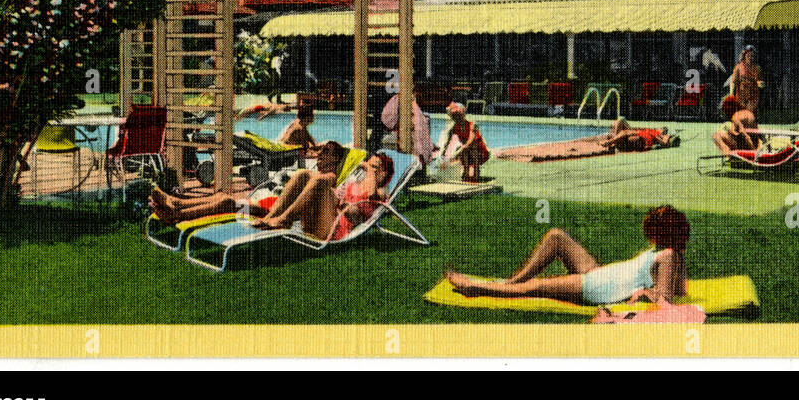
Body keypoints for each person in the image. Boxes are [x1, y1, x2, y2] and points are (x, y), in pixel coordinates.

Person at [445, 205, 690, 305]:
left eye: (653, 232)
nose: (650, 238)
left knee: (538, 286)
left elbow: (666, 299)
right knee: (556, 237)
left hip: (600, 286)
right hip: (602, 275)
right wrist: (653, 288)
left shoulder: (668, 256)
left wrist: (645, 293)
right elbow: (677, 290)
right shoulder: (671, 255)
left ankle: (476, 288)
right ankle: (512, 281)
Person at [148, 147, 395, 242]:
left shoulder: (378, 194)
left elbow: (353, 214)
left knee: (325, 179)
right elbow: (338, 199)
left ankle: (281, 218)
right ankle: (177, 206)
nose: (366, 169)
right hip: (291, 214)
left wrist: (371, 175)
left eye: (374, 167)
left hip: (329, 231)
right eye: (367, 165)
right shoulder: (348, 185)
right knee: (301, 176)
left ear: (383, 173)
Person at [437, 102, 492, 182]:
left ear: (462, 115)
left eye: (457, 116)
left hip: (480, 152)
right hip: (466, 151)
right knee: (462, 150)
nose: (456, 118)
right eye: (454, 116)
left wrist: (454, 155)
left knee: (468, 148)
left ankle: (476, 172)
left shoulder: (472, 125)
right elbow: (446, 143)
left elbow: (469, 142)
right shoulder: (453, 127)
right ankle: (466, 172)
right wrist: (442, 155)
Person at [279, 104, 342, 173]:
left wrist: (318, 145)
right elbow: (306, 150)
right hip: (286, 156)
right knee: (321, 154)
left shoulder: (298, 122)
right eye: (312, 114)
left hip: (284, 149)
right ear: (308, 117)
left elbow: (310, 139)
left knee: (324, 146)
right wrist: (320, 152)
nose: (314, 116)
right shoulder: (299, 129)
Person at [381, 94, 434, 167]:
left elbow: (388, 121)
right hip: (409, 154)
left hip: (412, 155)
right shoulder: (402, 102)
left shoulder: (418, 116)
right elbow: (388, 121)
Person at [597, 118, 680, 153]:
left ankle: (610, 142)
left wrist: (666, 140)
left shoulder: (660, 136)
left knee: (626, 133)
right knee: (620, 121)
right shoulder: (654, 131)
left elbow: (665, 144)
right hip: (635, 135)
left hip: (640, 140)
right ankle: (614, 143)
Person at [729, 45, 764, 116]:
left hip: (753, 96)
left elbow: (759, 81)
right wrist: (731, 94)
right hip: (741, 95)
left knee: (749, 114)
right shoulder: (738, 67)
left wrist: (761, 84)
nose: (751, 56)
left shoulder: (757, 68)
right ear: (744, 55)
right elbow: (733, 82)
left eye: (752, 55)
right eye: (748, 54)